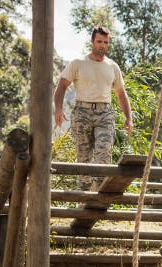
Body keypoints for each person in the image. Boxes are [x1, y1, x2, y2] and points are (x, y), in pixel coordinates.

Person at [54, 26, 133, 191]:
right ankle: (84, 195)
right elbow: (61, 86)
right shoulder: (78, 63)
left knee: (104, 151)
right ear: (92, 41)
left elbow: (121, 93)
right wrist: (59, 109)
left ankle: (99, 191)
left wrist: (129, 118)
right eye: (99, 41)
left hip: (105, 113)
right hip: (82, 112)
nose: (102, 45)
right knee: (84, 156)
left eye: (105, 42)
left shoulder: (112, 66)